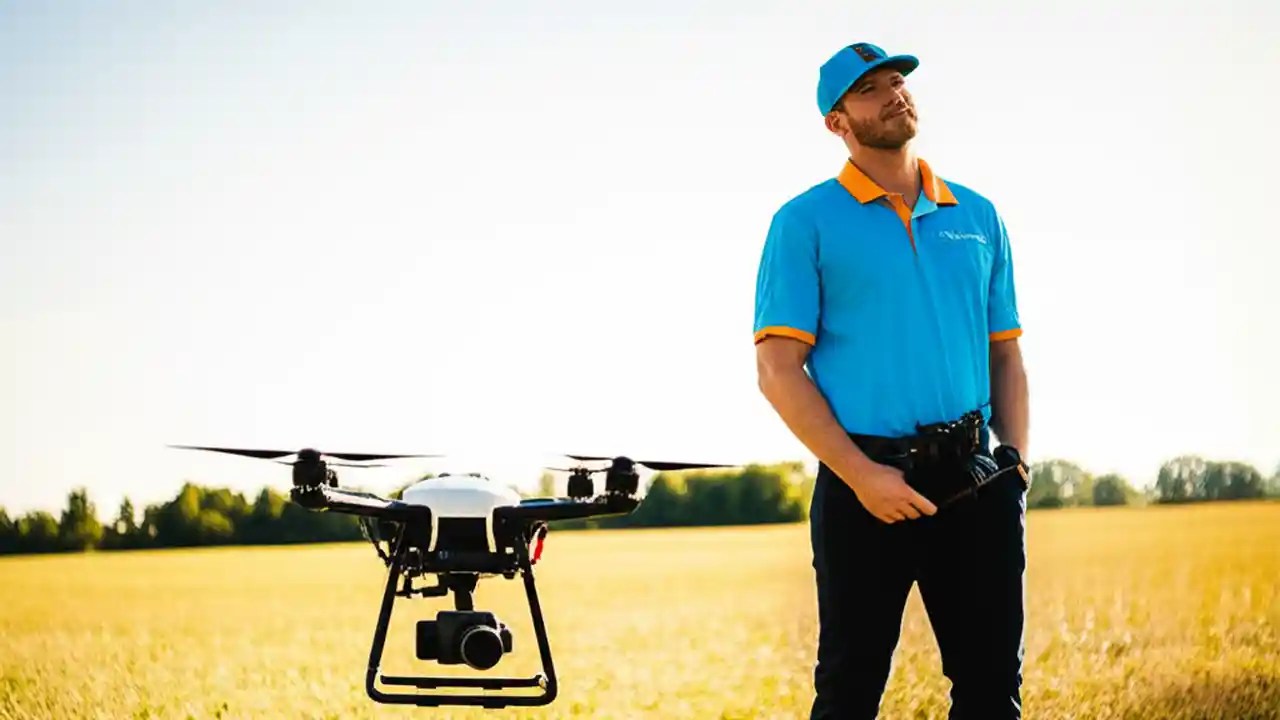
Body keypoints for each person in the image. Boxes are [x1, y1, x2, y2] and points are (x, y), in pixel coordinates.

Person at [752, 41, 1032, 719]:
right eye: (869, 89)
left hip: (976, 482)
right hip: (863, 485)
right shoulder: (804, 222)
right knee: (849, 692)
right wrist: (861, 476)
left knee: (993, 690)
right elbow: (777, 370)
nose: (893, 93)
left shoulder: (977, 215)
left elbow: (1007, 355)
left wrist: (1016, 462)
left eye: (897, 80)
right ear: (837, 122)